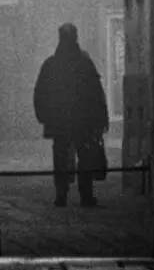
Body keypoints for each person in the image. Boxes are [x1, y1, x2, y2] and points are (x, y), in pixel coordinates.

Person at [32, 22, 109, 207]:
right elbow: (96, 94)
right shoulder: (84, 64)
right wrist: (100, 118)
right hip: (82, 121)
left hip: (60, 122)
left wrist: (44, 116)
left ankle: (62, 194)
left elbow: (40, 93)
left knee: (61, 157)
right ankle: (85, 194)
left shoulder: (51, 65)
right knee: (84, 157)